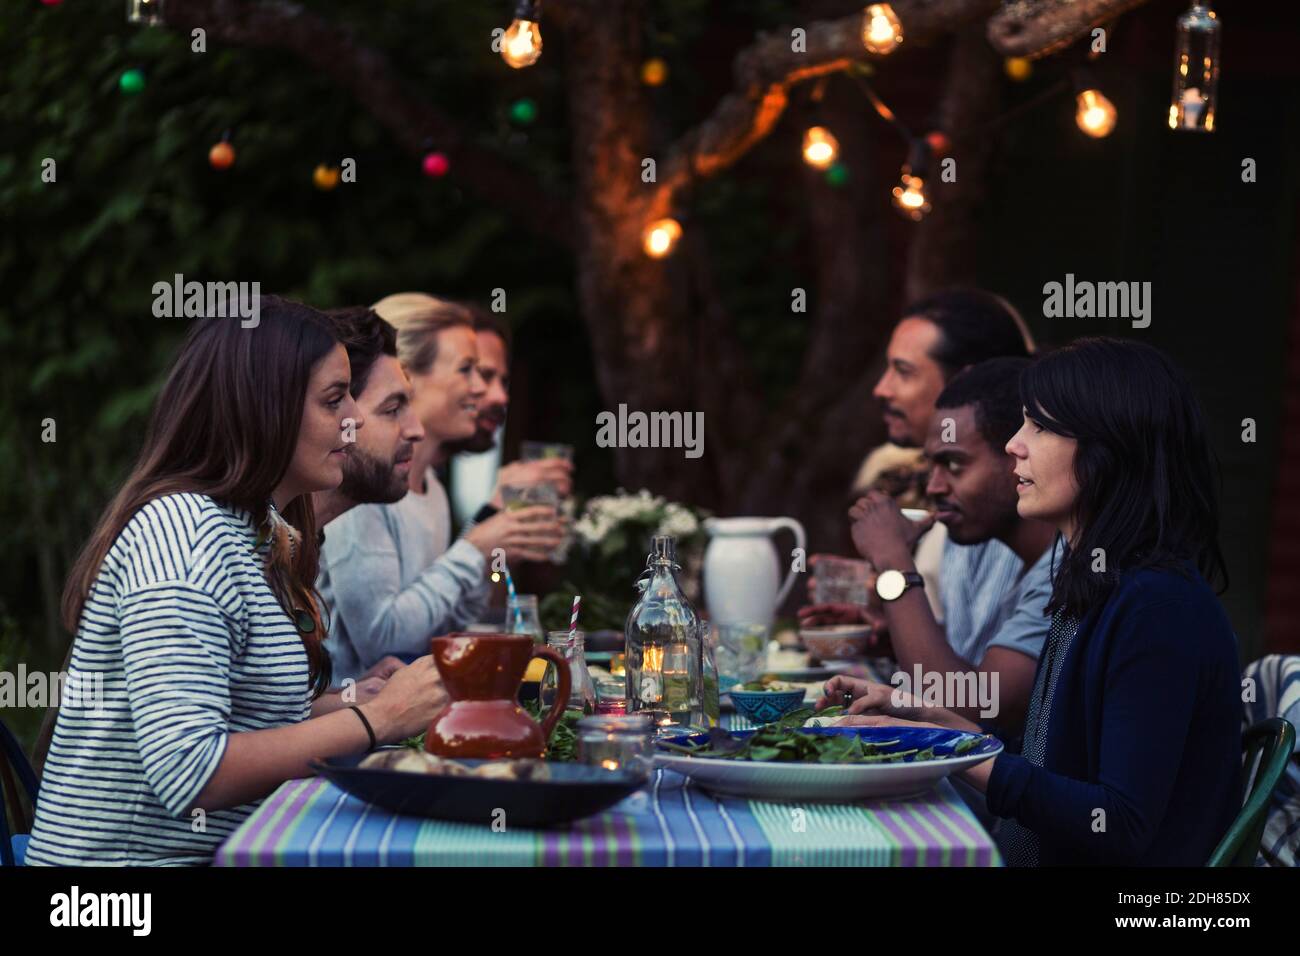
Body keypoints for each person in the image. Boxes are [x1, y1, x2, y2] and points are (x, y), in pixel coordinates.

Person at [26, 298, 443, 866]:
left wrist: (354, 701)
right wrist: (380, 720)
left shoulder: (251, 529)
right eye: (332, 399)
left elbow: (248, 720)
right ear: (262, 408)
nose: (353, 419)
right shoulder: (183, 536)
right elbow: (190, 771)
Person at [824, 338, 1242, 866]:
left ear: (1109, 448)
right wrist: (922, 718)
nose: (1014, 446)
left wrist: (943, 750)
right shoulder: (1095, 585)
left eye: (1039, 426)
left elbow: (1118, 822)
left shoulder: (1158, 608)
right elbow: (1051, 763)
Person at [319, 293, 564, 684]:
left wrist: (493, 534)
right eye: (468, 370)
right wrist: (474, 549)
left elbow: (447, 623)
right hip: (360, 734)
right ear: (408, 374)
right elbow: (382, 642)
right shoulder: (367, 486)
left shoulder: (430, 486)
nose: (488, 393)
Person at [819, 359, 1055, 733]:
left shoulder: (1061, 571)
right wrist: (894, 644)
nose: (934, 487)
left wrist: (893, 561)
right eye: (932, 466)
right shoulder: (1033, 566)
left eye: (954, 464)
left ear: (1017, 456)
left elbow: (976, 707)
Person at [805, 291, 1036, 661]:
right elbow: (968, 657)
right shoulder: (968, 509)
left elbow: (982, 702)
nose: (881, 389)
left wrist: (892, 570)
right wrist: (891, 638)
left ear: (966, 380)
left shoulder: (1018, 518)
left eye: (904, 371)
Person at [443, 302, 573, 522]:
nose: (501, 397)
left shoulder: (430, 481)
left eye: (504, 382)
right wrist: (492, 510)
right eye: (483, 375)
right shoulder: (385, 483)